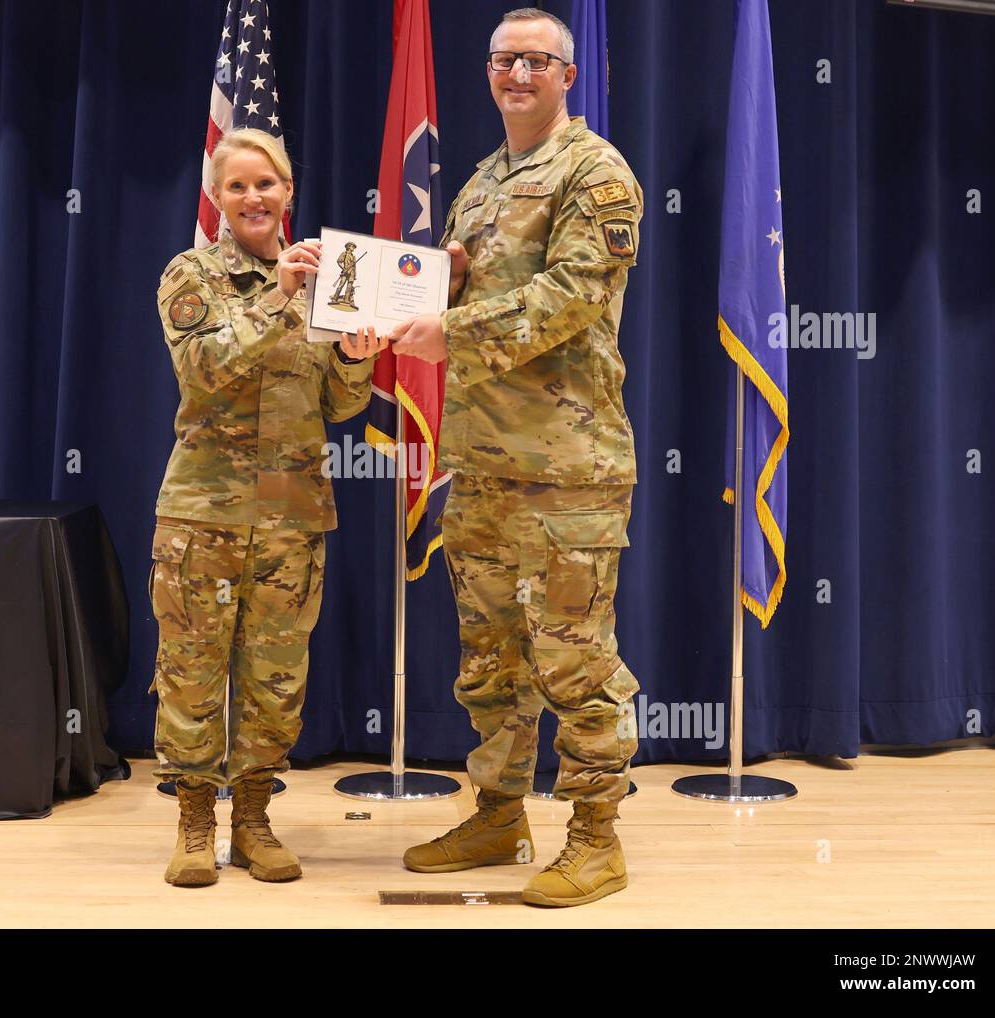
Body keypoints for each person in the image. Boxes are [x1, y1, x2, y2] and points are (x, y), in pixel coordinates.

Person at [390, 7, 645, 907]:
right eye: (504, 61)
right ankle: (499, 813)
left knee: (574, 661)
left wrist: (447, 324)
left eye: (537, 61)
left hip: (567, 468)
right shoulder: (481, 181)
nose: (518, 75)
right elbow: (476, 283)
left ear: (567, 76)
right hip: (488, 465)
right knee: (492, 661)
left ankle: (597, 838)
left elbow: (572, 296)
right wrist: (428, 284)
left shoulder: (596, 171)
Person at [153, 128, 382, 887]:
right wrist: (281, 297)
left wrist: (355, 358)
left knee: (276, 677)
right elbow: (207, 366)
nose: (254, 198)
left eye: (268, 184)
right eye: (239, 186)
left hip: (291, 510)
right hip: (205, 509)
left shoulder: (330, 281)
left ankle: (252, 817)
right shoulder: (191, 275)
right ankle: (194, 821)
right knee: (192, 670)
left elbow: (340, 405)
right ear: (218, 198)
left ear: (290, 193)